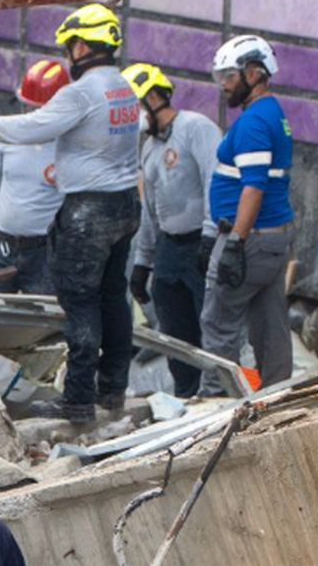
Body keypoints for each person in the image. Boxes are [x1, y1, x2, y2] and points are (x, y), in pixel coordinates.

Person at [0, 3, 142, 424]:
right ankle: (112, 390)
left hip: (88, 211)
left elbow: (30, 129)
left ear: (82, 46)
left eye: (70, 47)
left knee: (79, 303)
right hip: (123, 205)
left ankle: (77, 400)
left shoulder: (80, 93)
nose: (68, 55)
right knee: (114, 299)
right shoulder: (123, 87)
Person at [198, 35, 295, 396]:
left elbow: (253, 188)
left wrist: (234, 242)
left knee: (218, 324)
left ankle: (214, 402)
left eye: (230, 76)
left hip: (250, 239)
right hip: (272, 239)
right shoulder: (272, 113)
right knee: (271, 325)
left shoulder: (254, 122)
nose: (223, 85)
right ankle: (277, 395)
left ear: (254, 74)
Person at [122, 63, 221, 399]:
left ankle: (217, 393)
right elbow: (150, 209)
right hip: (168, 248)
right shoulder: (148, 148)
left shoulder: (196, 128)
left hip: (200, 243)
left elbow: (215, 181)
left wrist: (210, 236)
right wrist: (142, 262)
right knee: (175, 330)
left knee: (209, 325)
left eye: (133, 105)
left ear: (153, 96)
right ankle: (185, 394)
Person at [0, 60, 68, 295]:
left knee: (39, 326)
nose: (31, 116)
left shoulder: (70, 147)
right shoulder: (8, 139)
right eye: (28, 108)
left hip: (45, 254)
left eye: (38, 110)